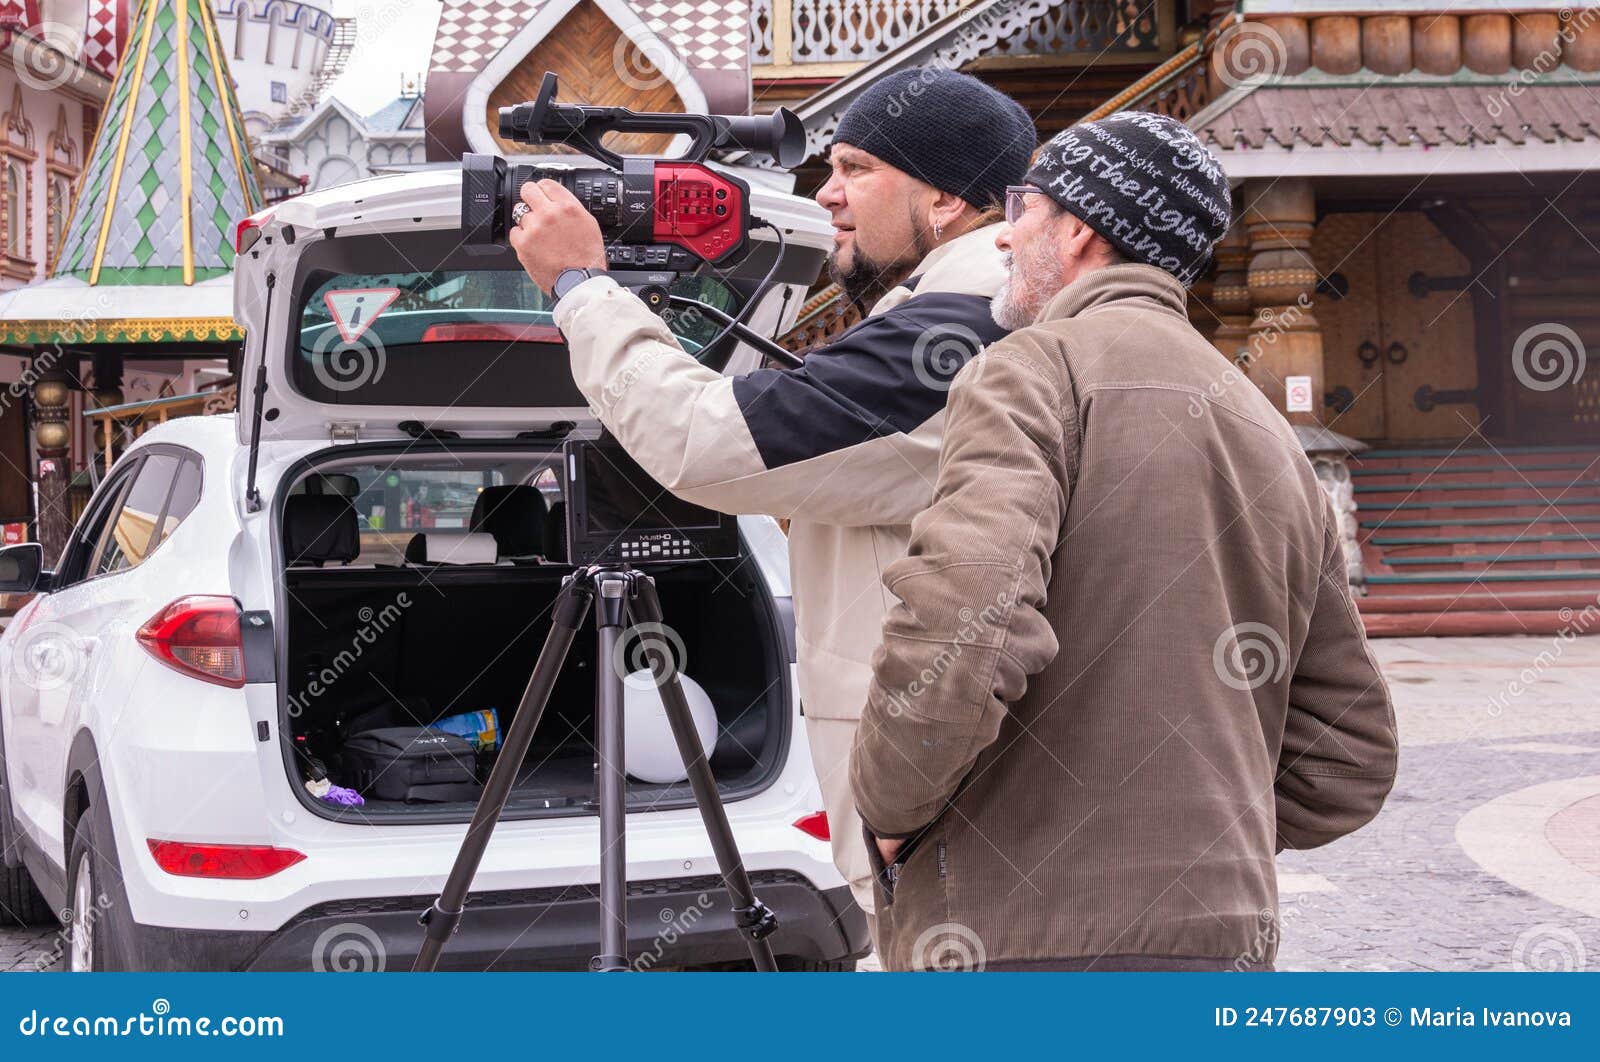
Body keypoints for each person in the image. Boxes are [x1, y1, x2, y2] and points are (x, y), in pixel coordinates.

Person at [849, 112, 1399, 971]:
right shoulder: (1264, 423)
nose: (1004, 239)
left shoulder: (1031, 370)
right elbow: (1350, 753)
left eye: (1023, 210)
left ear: (1078, 231)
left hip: (1021, 948)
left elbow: (967, 624)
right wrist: (1199, 837)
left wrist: (888, 807)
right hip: (1225, 947)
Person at [507, 70, 1037, 933]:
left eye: (858, 169)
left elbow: (704, 442)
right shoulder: (966, 312)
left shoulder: (960, 328)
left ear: (946, 201)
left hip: (947, 812)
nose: (825, 193)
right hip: (952, 801)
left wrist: (581, 291)